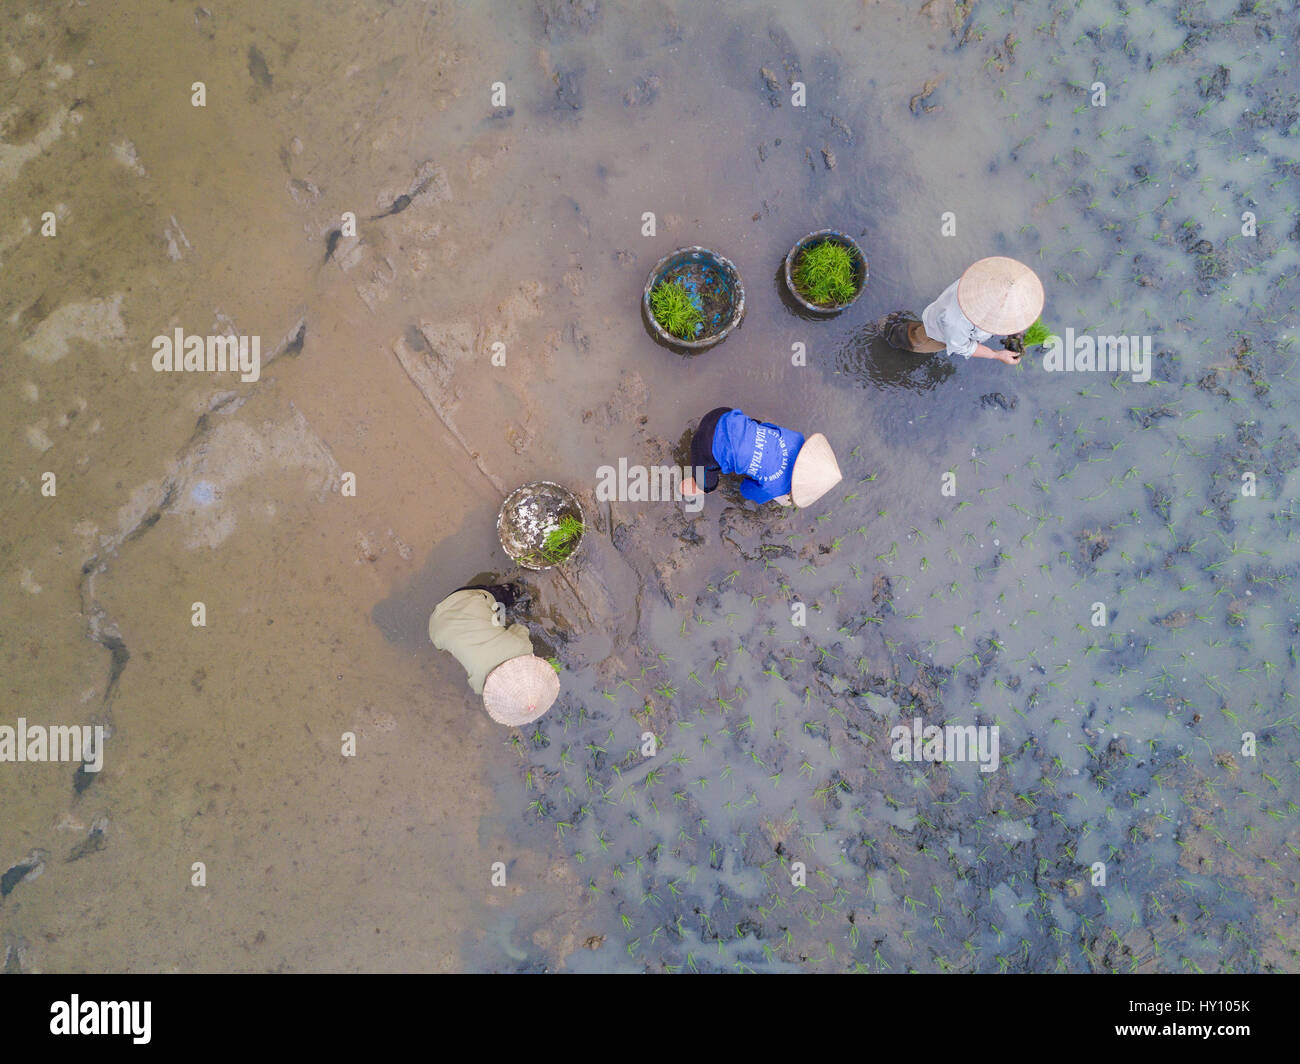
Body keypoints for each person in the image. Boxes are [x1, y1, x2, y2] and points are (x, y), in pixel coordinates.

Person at [428, 582, 559, 726]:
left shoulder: (522, 648)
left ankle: (512, 591)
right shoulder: (479, 686)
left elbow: (519, 628)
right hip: (436, 629)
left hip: (466, 598)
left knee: (502, 599)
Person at [886, 256, 1044, 366]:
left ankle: (896, 326)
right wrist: (996, 354)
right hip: (937, 332)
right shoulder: (957, 322)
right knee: (914, 338)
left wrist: (1015, 334)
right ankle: (889, 333)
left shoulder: (992, 278)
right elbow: (961, 346)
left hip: (946, 313)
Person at [679, 407, 842, 508]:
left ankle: (705, 432)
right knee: (705, 487)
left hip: (723, 415)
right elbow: (746, 491)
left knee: (755, 425)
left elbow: (765, 426)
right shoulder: (778, 487)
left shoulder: (796, 438)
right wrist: (774, 494)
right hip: (706, 449)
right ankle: (678, 489)